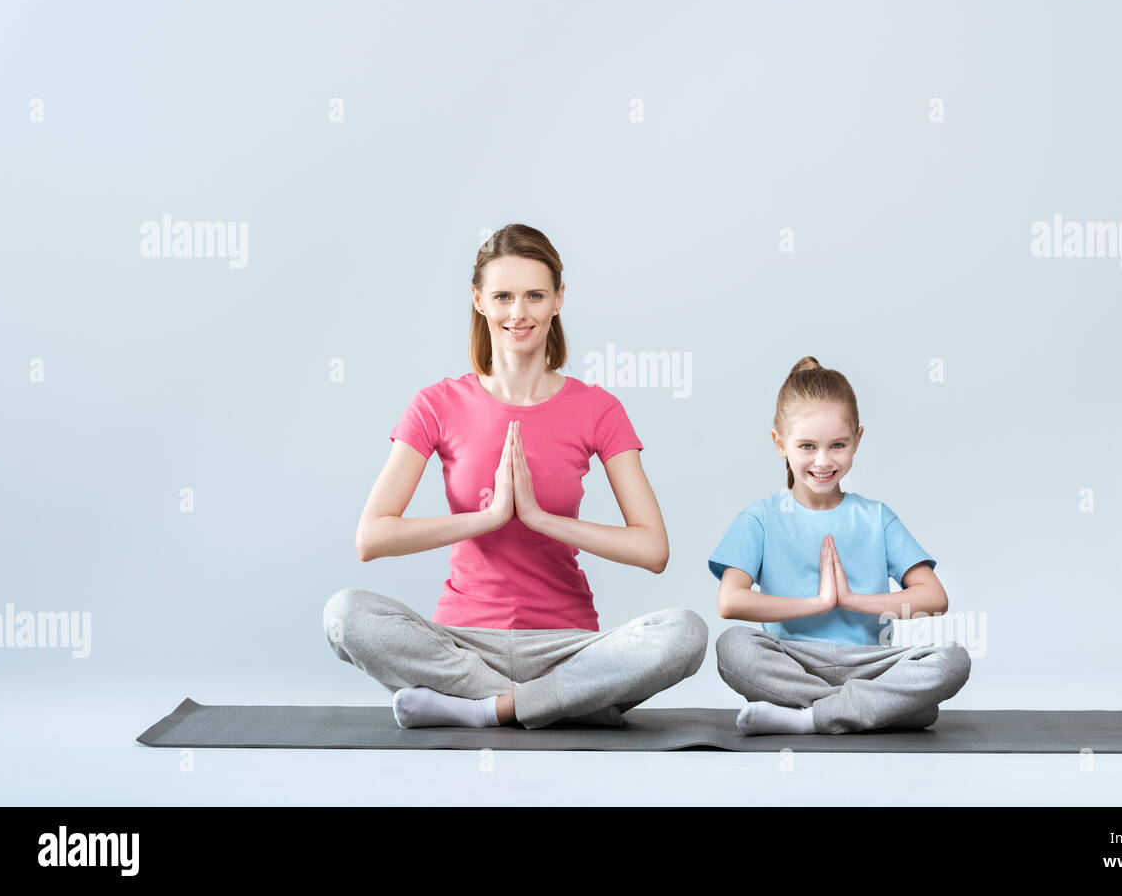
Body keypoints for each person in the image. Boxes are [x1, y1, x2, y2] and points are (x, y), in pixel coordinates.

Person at [324, 223, 706, 729]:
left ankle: (492, 710)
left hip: (567, 647)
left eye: (534, 296)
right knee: (345, 613)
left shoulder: (598, 408)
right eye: (503, 296)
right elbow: (371, 538)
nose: (518, 312)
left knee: (685, 632)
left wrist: (541, 519)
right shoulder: (437, 404)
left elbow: (652, 549)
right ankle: (560, 705)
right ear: (479, 300)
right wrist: (490, 517)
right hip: (463, 645)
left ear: (558, 300)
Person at [709, 356, 971, 735]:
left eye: (837, 445)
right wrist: (816, 604)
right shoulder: (761, 517)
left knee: (952, 659)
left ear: (857, 440)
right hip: (794, 660)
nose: (822, 461)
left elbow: (934, 598)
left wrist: (851, 600)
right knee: (733, 647)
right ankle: (871, 708)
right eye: (806, 446)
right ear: (779, 444)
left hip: (871, 662)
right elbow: (730, 602)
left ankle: (807, 717)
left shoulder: (876, 517)